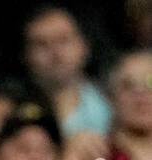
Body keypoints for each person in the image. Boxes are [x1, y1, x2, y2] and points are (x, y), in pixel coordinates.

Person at [22, 6, 111, 138]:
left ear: (84, 46)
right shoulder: (15, 111)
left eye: (63, 40)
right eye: (41, 44)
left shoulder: (114, 97)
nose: (55, 53)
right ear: (26, 55)